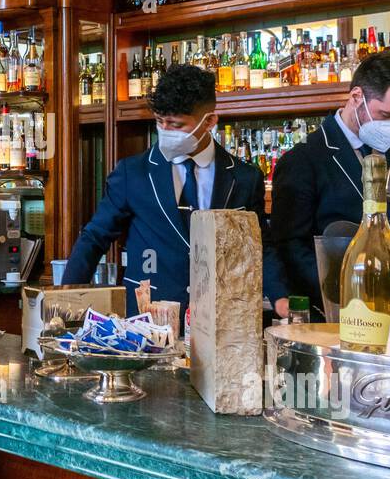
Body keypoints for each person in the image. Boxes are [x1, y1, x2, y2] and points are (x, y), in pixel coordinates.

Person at [62, 63, 289, 319]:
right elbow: (95, 237)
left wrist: (280, 296)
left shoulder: (244, 177)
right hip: (148, 318)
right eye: (160, 122)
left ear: (210, 121)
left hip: (222, 318)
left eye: (177, 124)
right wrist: (67, 296)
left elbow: (259, 245)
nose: (165, 132)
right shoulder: (133, 173)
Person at [270, 50, 390, 319]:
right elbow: (291, 248)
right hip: (332, 311)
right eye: (385, 115)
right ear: (356, 97)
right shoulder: (304, 159)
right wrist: (349, 295)